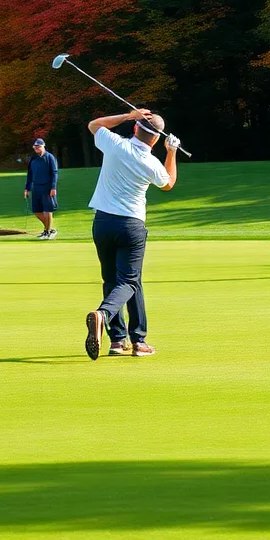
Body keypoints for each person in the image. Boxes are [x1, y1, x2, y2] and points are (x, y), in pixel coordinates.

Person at [83, 108, 179, 359]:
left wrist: (127, 115)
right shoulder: (151, 162)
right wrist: (172, 152)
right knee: (128, 281)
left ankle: (120, 341)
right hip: (130, 226)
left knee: (114, 281)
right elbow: (168, 183)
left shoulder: (114, 143)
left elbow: (94, 124)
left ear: (135, 129)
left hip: (102, 223)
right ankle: (106, 317)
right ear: (156, 138)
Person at [24, 138, 59, 239]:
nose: (37, 149)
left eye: (38, 147)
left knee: (47, 210)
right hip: (36, 187)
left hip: (47, 187)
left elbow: (54, 173)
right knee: (37, 211)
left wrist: (53, 187)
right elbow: (30, 174)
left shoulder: (49, 157)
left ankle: (47, 232)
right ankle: (50, 229)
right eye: (35, 147)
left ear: (43, 146)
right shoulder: (33, 159)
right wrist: (27, 188)